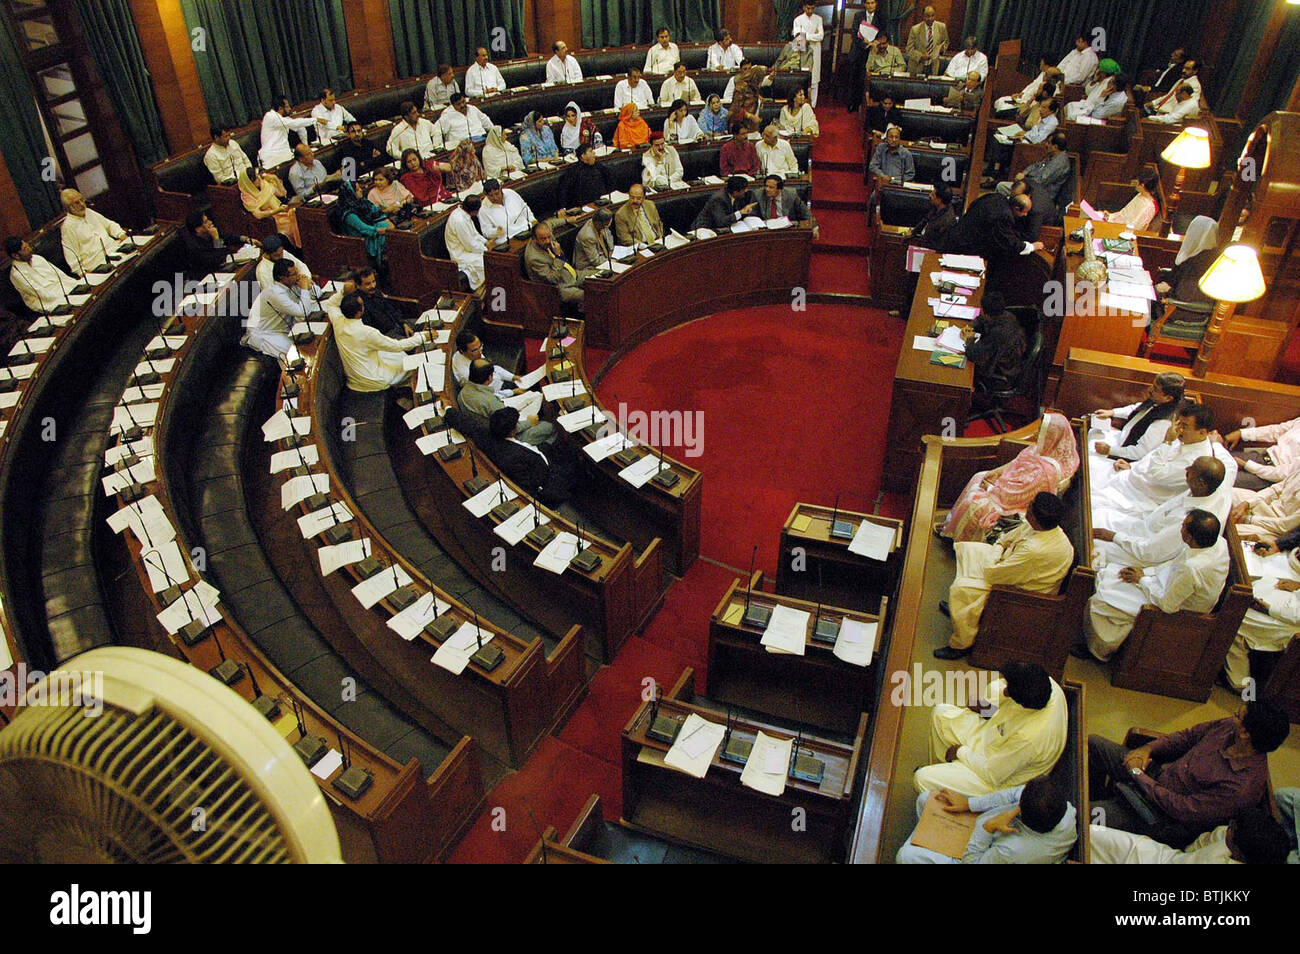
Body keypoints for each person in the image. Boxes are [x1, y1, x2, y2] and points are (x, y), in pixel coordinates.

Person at [1087, 702, 1289, 847]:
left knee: (1085, 815)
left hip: (1161, 818)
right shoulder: (1229, 728)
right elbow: (1186, 737)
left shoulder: (1241, 788)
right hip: (1157, 775)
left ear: (1245, 733)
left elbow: (1181, 808)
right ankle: (1098, 794)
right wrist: (1146, 750)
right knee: (1093, 743)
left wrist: (1137, 774)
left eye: (1237, 716)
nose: (1231, 717)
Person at [936, 492, 1074, 659]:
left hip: (1025, 592)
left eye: (1030, 505)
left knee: (964, 589)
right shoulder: (1041, 527)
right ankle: (959, 613)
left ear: (1035, 517)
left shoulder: (1035, 550)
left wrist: (997, 553)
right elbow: (1005, 539)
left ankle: (961, 644)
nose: (1027, 506)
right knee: (968, 548)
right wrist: (999, 550)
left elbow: (993, 575)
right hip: (1009, 565)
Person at [1082, 509, 1228, 661]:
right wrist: (1147, 572)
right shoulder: (1217, 543)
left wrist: (1141, 579)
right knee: (1111, 575)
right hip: (1168, 585)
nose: (1180, 527)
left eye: (1183, 525)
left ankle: (1099, 652)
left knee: (1102, 602)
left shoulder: (1192, 568)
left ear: (1190, 537)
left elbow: (1168, 605)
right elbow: (1174, 563)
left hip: (1180, 612)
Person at [914, 661, 1068, 794]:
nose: (1004, 687)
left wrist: (960, 751)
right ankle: (944, 769)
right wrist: (986, 708)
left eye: (1007, 687)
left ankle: (942, 776)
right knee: (941, 714)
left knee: (921, 779)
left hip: (1000, 779)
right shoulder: (1047, 685)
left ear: (1019, 700)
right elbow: (1004, 713)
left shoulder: (1030, 739)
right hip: (996, 739)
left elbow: (993, 774)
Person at [940, 413, 1079, 544]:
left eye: (1040, 431)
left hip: (1016, 505)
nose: (1036, 434)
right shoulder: (1041, 448)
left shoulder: (1047, 472)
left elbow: (1018, 495)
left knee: (976, 500)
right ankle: (950, 527)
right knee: (980, 476)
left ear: (1052, 436)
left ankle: (959, 541)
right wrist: (996, 472)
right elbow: (1016, 462)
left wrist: (991, 487)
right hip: (1008, 487)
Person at [897, 778, 1077, 864]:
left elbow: (972, 862)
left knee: (905, 856)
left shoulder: (1013, 852)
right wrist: (969, 804)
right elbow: (1011, 794)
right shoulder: (1062, 807)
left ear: (1021, 813)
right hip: (989, 835)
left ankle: (924, 846)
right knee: (926, 799)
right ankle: (925, 843)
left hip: (981, 851)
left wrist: (988, 828)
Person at [1092, 457, 1230, 569]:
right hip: (1144, 528)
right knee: (1098, 513)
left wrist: (1113, 536)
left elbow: (1151, 552)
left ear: (1201, 484)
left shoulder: (1190, 521)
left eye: (1190, 470)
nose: (1186, 469)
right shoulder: (1211, 490)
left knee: (1094, 545)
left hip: (1143, 551)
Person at [1092, 402, 1225, 510]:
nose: (1178, 429)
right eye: (1179, 423)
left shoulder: (1196, 462)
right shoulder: (1187, 437)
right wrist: (1132, 466)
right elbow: (1154, 457)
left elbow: (1157, 474)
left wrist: (1167, 441)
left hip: (1143, 495)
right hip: (1134, 476)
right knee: (1092, 470)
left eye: (1184, 426)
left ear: (1202, 433)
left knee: (1093, 498)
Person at [325, 283, 431, 392]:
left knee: (398, 356)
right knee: (410, 365)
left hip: (356, 378)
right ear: (359, 312)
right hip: (373, 380)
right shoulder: (367, 332)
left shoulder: (337, 321)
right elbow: (397, 346)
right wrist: (422, 337)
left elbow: (331, 304)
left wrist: (343, 291)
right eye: (362, 305)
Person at [1091, 808, 1290, 864]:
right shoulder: (1228, 835)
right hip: (1158, 855)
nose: (1228, 826)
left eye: (1233, 828)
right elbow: (1195, 847)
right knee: (1091, 832)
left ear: (1240, 852)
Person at [1223, 568, 1300, 692]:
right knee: (1265, 583)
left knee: (1236, 617)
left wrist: (1269, 609)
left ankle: (1240, 683)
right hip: (1293, 605)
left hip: (1293, 622)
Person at [486, 407, 577, 508]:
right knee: (574, 467)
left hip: (535, 458)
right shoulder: (518, 456)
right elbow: (539, 477)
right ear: (512, 431)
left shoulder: (491, 438)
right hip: (547, 478)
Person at [1090, 371, 1186, 462]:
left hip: (1125, 457)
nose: (1150, 389)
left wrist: (1110, 450)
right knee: (1093, 432)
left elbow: (1140, 452)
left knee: (1090, 456)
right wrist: (1112, 412)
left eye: (1155, 388)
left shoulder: (1163, 423)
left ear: (1168, 398)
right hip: (1121, 439)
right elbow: (1138, 409)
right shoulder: (1160, 400)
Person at [939, 192, 1043, 276]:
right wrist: (1031, 247)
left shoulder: (995, 196)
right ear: (1016, 208)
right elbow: (1009, 243)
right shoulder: (1005, 216)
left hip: (956, 234)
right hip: (964, 249)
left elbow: (973, 205)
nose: (1025, 215)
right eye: (1024, 212)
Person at [459, 359, 554, 445]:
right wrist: (529, 422)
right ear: (489, 378)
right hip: (502, 437)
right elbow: (509, 428)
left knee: (535, 395)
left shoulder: (463, 392)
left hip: (489, 425)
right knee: (550, 427)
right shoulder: (490, 402)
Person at [244, 258, 317, 361]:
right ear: (282, 277)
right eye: (294, 274)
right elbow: (303, 312)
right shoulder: (275, 293)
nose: (298, 276)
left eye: (297, 272)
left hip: (285, 328)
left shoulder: (290, 284)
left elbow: (317, 295)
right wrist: (304, 288)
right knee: (295, 355)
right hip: (266, 333)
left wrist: (309, 285)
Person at [982, 98, 1060, 184]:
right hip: (1026, 140)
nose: (1040, 109)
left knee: (1001, 146)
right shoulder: (1043, 117)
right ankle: (992, 169)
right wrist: (1024, 133)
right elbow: (1033, 132)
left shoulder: (1052, 123)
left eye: (1044, 108)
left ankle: (994, 175)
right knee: (997, 138)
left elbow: (1038, 139)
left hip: (1032, 148)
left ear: (1051, 111)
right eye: (1041, 107)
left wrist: (1025, 135)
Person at [965, 288, 1028, 390]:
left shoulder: (999, 333)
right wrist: (971, 326)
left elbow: (974, 354)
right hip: (1011, 359)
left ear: (986, 313)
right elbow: (982, 320)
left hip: (1003, 369)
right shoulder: (1007, 315)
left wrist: (969, 339)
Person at [59, 188, 127, 276]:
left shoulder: (89, 212)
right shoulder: (67, 227)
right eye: (77, 203)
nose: (82, 204)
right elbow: (72, 258)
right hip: (97, 265)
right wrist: (84, 275)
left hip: (115, 250)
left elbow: (110, 225)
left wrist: (121, 234)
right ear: (68, 207)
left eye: (82, 200)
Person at [4, 236, 79, 313]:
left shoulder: (36, 258)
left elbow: (59, 274)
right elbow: (40, 293)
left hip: (62, 287)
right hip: (46, 300)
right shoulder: (17, 274)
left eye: (28, 246)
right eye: (25, 249)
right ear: (15, 255)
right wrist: (66, 296)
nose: (30, 249)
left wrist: (75, 284)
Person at [524, 219, 586, 311]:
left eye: (549, 237)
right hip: (560, 288)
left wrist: (566, 220)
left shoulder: (545, 232)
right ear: (534, 239)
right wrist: (558, 256)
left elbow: (551, 222)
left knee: (600, 277)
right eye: (543, 239)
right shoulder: (534, 258)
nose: (548, 241)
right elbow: (553, 279)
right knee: (589, 295)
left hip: (571, 274)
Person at [329, 181, 393, 265]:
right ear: (350, 193)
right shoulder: (348, 214)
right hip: (361, 240)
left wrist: (389, 225)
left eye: (360, 188)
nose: (361, 190)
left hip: (373, 231)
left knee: (384, 224)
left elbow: (378, 214)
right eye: (357, 190)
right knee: (386, 236)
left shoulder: (364, 203)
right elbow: (365, 229)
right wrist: (387, 231)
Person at [997, 130, 1070, 200]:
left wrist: (1022, 180)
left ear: (1055, 147)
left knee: (1001, 186)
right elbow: (1036, 165)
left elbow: (1040, 182)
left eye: (1048, 143)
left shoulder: (1059, 163)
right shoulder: (1054, 155)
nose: (1046, 144)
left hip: (1039, 194)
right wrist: (1024, 173)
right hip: (1032, 185)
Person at [239, 166, 300, 245]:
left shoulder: (264, 184)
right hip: (272, 220)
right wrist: (277, 210)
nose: (259, 179)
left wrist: (275, 179)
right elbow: (258, 215)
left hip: (282, 212)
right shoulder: (247, 196)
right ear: (250, 182)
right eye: (256, 178)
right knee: (291, 228)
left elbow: (282, 193)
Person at [181, 209, 251, 275]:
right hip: (209, 277)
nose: (210, 222)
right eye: (206, 222)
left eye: (208, 219)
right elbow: (218, 259)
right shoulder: (195, 247)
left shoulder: (209, 233)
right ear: (198, 229)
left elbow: (228, 237)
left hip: (224, 268)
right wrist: (216, 239)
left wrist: (246, 239)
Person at [845, 0, 883, 111]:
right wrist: (864, 44)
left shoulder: (881, 16)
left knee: (865, 80)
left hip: (873, 52)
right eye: (868, 3)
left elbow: (882, 32)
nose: (870, 5)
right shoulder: (858, 15)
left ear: (876, 4)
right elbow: (854, 33)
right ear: (865, 4)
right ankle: (852, 104)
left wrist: (874, 42)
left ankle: (863, 105)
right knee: (854, 79)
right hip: (858, 51)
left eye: (872, 3)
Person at [446, 195, 488, 290]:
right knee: (487, 263)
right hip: (461, 254)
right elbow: (470, 246)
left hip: (469, 249)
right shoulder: (459, 221)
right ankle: (482, 291)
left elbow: (474, 234)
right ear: (474, 211)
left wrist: (486, 242)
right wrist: (486, 249)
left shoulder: (464, 214)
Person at [258, 95, 314, 168]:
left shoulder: (282, 118)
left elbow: (299, 126)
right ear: (281, 108)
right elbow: (294, 123)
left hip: (285, 154)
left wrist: (305, 146)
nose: (290, 109)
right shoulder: (270, 117)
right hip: (272, 158)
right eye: (287, 107)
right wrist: (315, 120)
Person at [1101, 167, 1162, 232]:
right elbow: (1124, 213)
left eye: (1137, 182)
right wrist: (1110, 216)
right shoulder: (1140, 194)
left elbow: (1135, 227)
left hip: (1122, 231)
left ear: (1142, 185)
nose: (1135, 184)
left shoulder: (1148, 207)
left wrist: (1111, 223)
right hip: (1116, 223)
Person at [478, 178, 534, 247]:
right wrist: (496, 231)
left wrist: (533, 221)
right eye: (491, 195)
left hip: (526, 230)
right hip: (508, 240)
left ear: (500, 189)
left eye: (496, 193)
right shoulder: (483, 210)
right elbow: (486, 232)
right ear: (486, 195)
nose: (495, 198)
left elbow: (524, 208)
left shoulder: (510, 193)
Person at [692, 176, 757, 231]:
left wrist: (745, 212)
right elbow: (720, 221)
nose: (746, 191)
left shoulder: (737, 196)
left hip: (721, 227)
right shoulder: (719, 199)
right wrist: (741, 212)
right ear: (735, 192)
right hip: (704, 229)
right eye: (744, 189)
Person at [558, 144, 612, 209]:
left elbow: (609, 178)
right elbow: (564, 190)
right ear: (583, 156)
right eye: (591, 151)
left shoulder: (598, 166)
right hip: (581, 206)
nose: (594, 153)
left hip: (600, 202)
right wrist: (563, 208)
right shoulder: (573, 170)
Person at [907, 181, 958, 250]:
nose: (930, 196)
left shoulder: (947, 221)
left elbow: (941, 246)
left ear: (939, 200)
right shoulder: (937, 207)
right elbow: (925, 220)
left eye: (933, 195)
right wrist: (913, 232)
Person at [792, 2, 825, 105]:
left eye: (812, 8)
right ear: (804, 7)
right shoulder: (798, 20)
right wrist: (811, 35)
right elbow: (798, 36)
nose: (810, 11)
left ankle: (813, 104)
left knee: (815, 76)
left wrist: (806, 36)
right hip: (802, 49)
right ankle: (801, 102)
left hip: (815, 50)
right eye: (808, 8)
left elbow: (821, 36)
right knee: (802, 74)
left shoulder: (818, 19)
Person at [905, 5, 949, 76]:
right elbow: (909, 49)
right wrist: (920, 56)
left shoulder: (941, 27)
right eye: (927, 16)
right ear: (923, 16)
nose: (930, 18)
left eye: (932, 15)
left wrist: (942, 49)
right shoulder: (915, 29)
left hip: (933, 65)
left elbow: (946, 41)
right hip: (917, 65)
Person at [574, 207, 616, 271]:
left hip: (604, 258)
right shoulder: (587, 236)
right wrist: (611, 261)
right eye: (606, 226)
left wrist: (611, 253)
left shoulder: (602, 224)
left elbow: (610, 239)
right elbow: (595, 261)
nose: (607, 228)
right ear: (599, 224)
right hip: (588, 266)